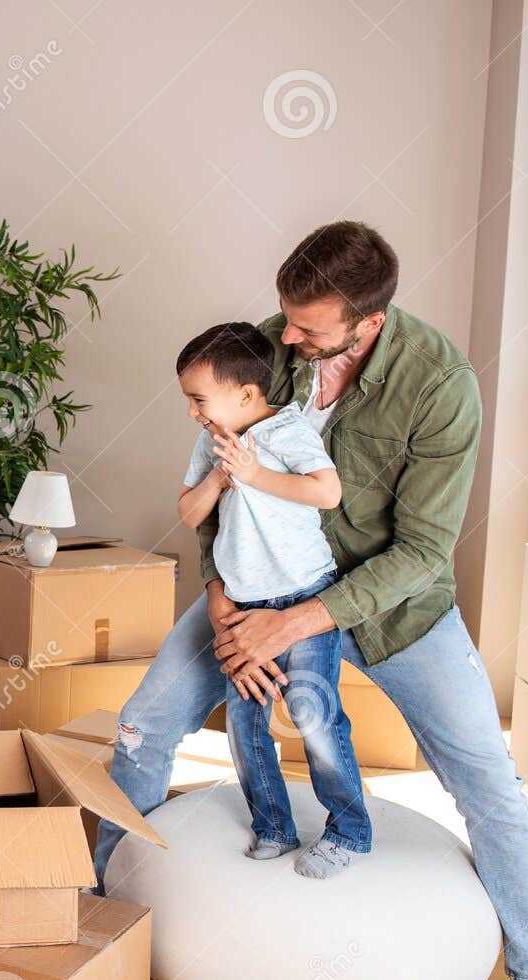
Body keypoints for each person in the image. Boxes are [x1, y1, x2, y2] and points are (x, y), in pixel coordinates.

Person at [94, 221, 528, 980]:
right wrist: (224, 605)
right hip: (258, 596)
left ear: (367, 322)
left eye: (309, 329)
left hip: (393, 610)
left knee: (491, 784)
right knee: (143, 723)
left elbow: (423, 551)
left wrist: (292, 625)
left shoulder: (440, 386)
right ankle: (95, 905)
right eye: (287, 319)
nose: (285, 337)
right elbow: (213, 490)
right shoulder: (269, 345)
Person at [174, 321, 369, 877]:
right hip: (241, 607)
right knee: (246, 724)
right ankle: (275, 827)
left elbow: (326, 492)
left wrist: (254, 472)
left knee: (314, 715)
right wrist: (220, 474)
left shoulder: (287, 430)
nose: (192, 411)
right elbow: (189, 514)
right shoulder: (211, 443)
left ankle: (350, 832)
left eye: (198, 399)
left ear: (244, 394)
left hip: (304, 597)